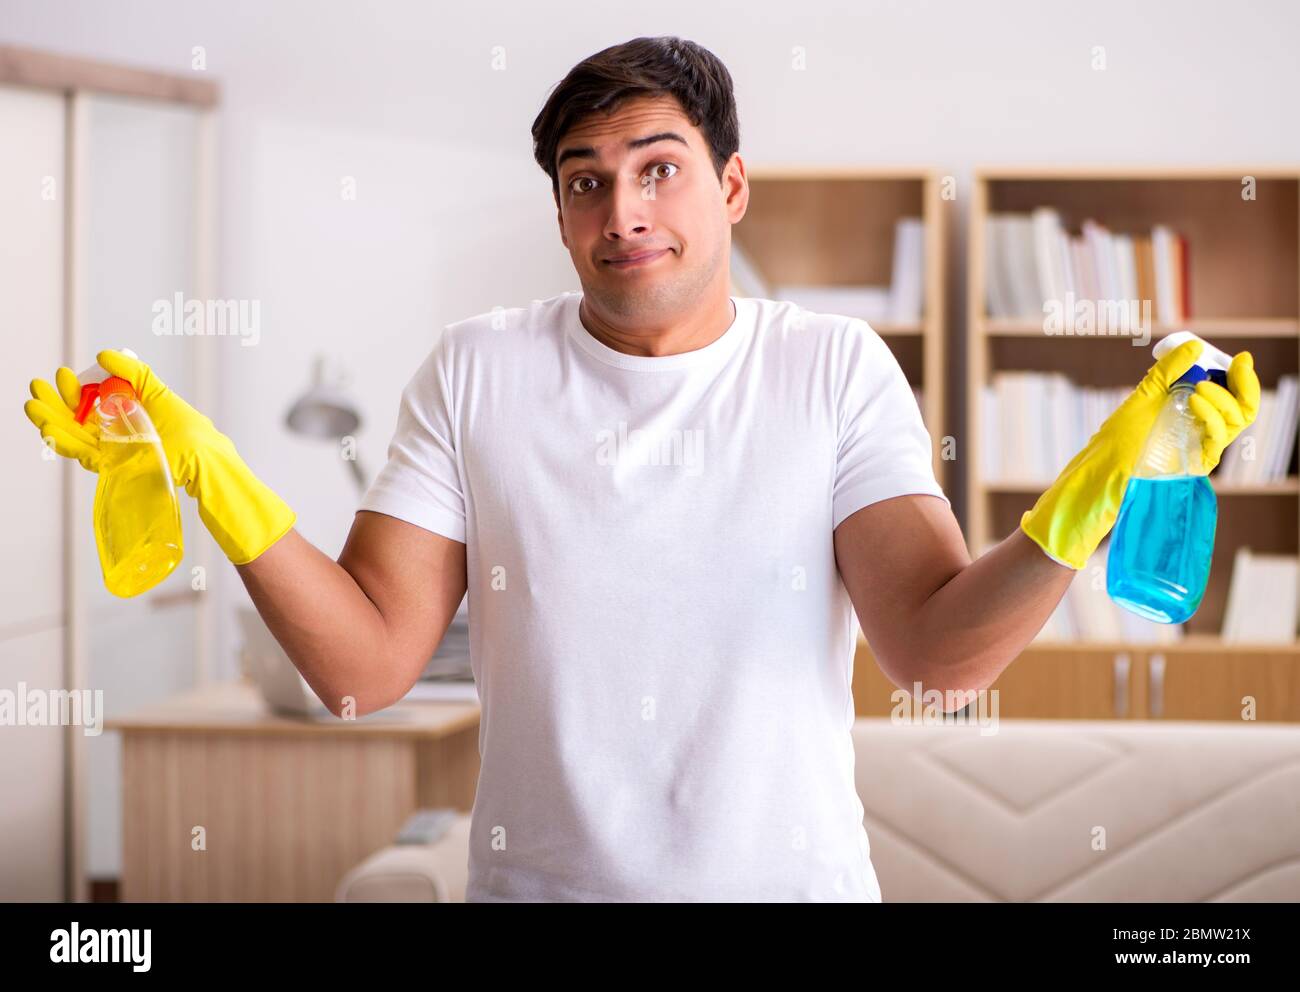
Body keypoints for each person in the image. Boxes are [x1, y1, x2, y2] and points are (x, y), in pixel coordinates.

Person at [23, 35, 1259, 903]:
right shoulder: (476, 370)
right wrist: (212, 476)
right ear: (560, 212)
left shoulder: (833, 368)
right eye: (586, 181)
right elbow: (360, 670)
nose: (623, 207)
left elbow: (937, 655)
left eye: (658, 167)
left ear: (728, 186)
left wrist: (1086, 493)